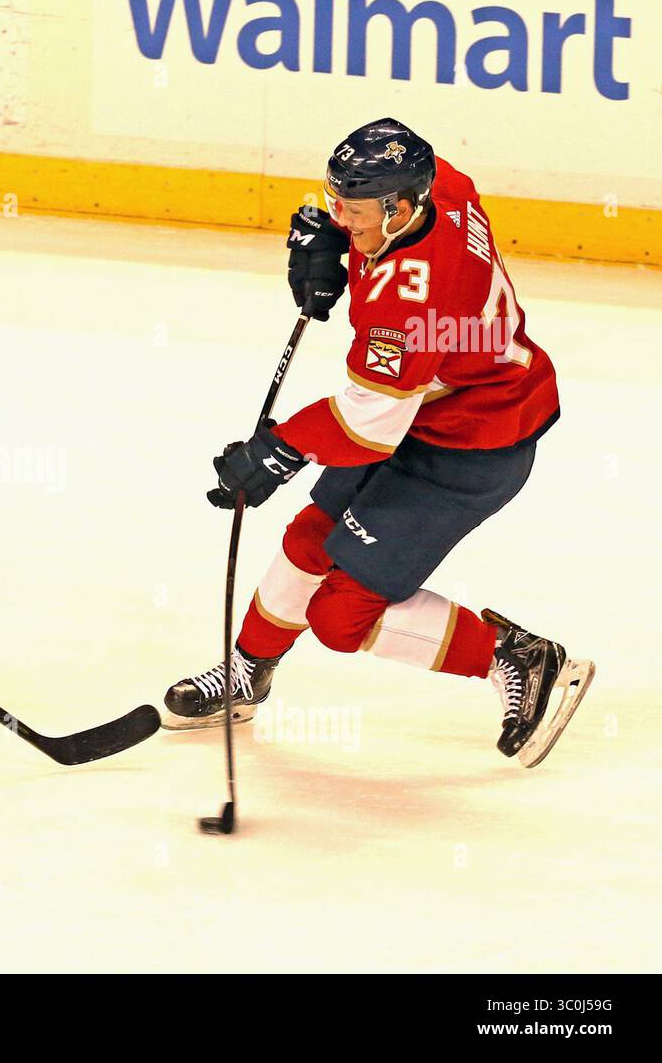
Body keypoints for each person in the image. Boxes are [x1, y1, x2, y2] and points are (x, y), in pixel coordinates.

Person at [163, 117, 594, 768]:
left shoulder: (412, 301)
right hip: (432, 406)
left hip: (473, 443)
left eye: (354, 209)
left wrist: (279, 451)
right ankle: (248, 672)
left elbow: (365, 431)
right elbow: (364, 215)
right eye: (336, 199)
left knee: (341, 618)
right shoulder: (438, 185)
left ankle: (520, 657)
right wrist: (328, 232)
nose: (343, 215)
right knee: (310, 540)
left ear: (399, 207)